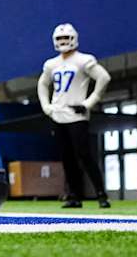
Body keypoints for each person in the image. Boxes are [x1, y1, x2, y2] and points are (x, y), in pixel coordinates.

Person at [39, 23, 111, 209]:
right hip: (58, 115)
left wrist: (89, 103)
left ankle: (101, 194)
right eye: (59, 39)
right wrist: (47, 106)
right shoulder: (51, 64)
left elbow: (104, 77)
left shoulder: (83, 60)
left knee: (84, 155)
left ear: (74, 39)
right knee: (67, 158)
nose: (63, 42)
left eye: (66, 38)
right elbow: (42, 84)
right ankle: (74, 195)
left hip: (77, 114)